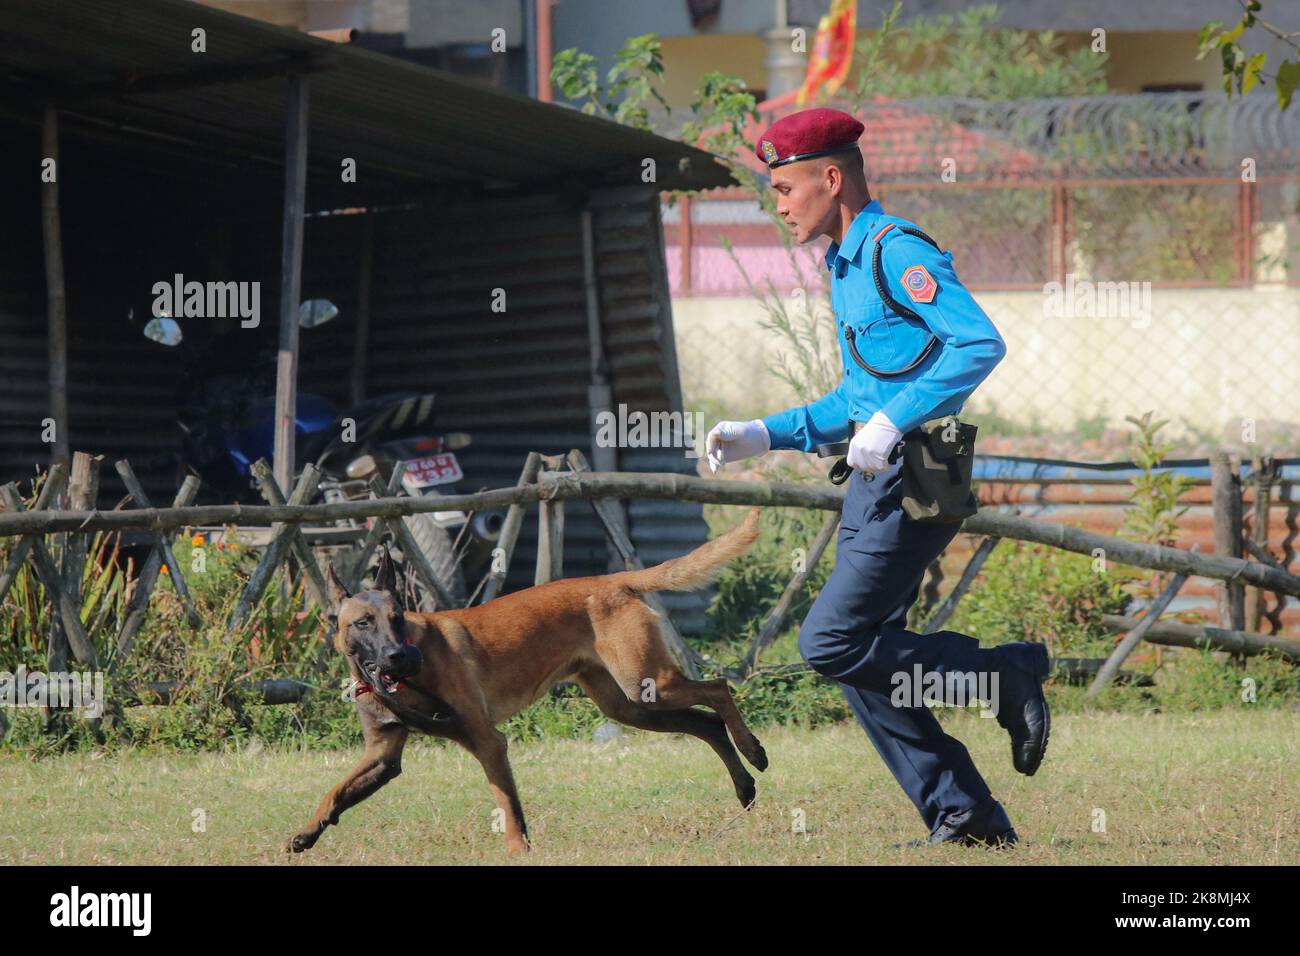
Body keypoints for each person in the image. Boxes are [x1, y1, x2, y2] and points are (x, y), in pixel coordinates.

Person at [705, 107, 1050, 848]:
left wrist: (896, 419)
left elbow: (978, 343)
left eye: (788, 187)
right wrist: (764, 433)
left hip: (914, 478)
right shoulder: (845, 263)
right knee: (866, 655)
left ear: (833, 179)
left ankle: (1003, 675)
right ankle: (965, 817)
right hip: (873, 484)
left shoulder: (895, 251)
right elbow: (855, 401)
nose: (780, 203)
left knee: (830, 642)